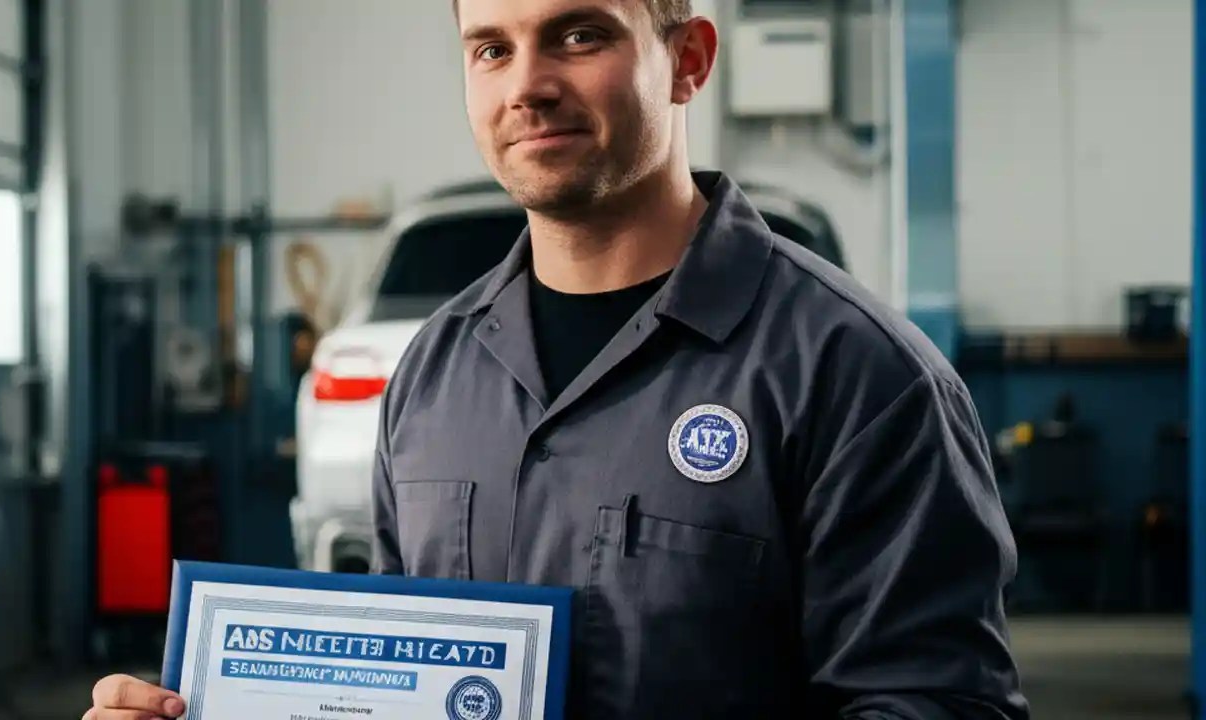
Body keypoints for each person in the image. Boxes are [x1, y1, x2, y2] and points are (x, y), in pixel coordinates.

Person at [85, 0, 1029, 717]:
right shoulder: (432, 373)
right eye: (491, 48)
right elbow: (380, 676)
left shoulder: (858, 374)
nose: (526, 84)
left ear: (688, 61)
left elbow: (933, 700)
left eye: (579, 37)